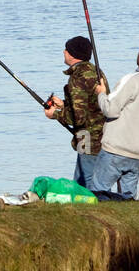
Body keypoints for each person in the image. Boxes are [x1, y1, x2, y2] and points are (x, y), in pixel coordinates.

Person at [91, 40, 139, 199]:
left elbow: (110, 109)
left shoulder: (133, 79)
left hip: (115, 150)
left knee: (97, 195)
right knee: (128, 202)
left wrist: (101, 93)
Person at [43, 36, 105, 189]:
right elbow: (90, 104)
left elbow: (78, 117)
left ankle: (88, 208)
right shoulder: (95, 71)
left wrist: (54, 115)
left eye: (66, 50)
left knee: (83, 183)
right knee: (97, 179)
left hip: (87, 138)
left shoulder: (77, 78)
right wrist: (64, 105)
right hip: (104, 134)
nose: (64, 52)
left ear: (72, 54)